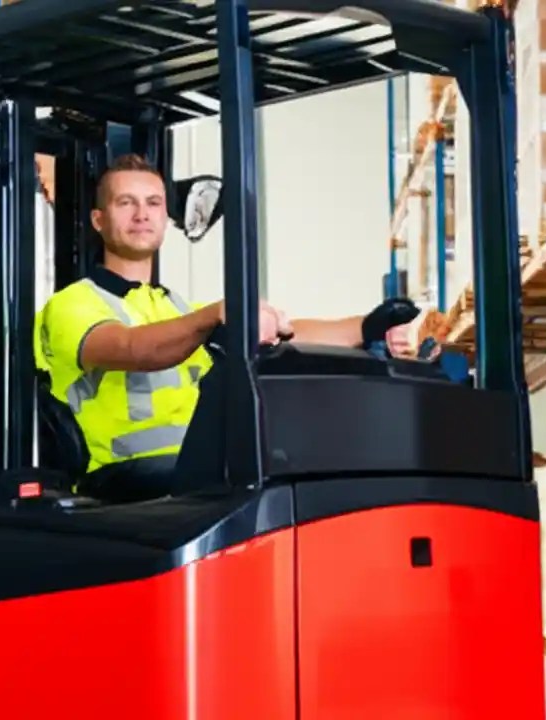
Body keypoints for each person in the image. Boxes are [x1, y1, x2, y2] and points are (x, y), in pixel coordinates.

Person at [35, 154, 418, 502]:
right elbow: (132, 348)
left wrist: (365, 328)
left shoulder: (175, 308)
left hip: (190, 473)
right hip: (119, 483)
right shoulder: (74, 303)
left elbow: (290, 330)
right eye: (126, 203)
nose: (142, 214)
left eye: (153, 203)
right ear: (98, 220)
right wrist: (218, 315)